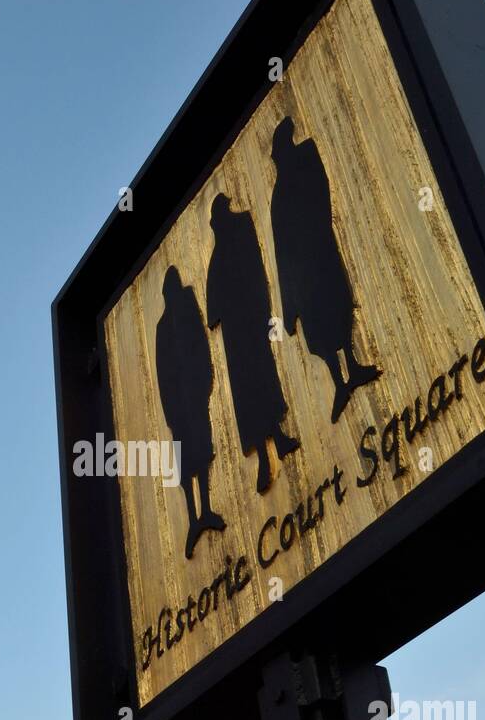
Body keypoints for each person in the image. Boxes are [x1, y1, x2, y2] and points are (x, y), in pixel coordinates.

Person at [270, 116, 380, 423]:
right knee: (318, 326)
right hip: (302, 273)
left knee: (336, 309)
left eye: (276, 152)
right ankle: (339, 381)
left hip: (319, 254)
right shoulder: (278, 194)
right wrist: (289, 305)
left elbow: (322, 195)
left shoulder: (305, 161)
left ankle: (353, 366)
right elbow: (280, 249)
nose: (276, 159)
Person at [206, 193, 299, 493]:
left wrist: (259, 308)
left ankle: (277, 439)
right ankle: (264, 455)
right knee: (250, 387)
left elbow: (254, 271)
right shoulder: (218, 256)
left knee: (260, 381)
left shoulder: (239, 232)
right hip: (239, 333)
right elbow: (212, 315)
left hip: (248, 323)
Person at [155, 265, 226, 560]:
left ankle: (207, 508)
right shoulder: (162, 327)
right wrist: (171, 413)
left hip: (195, 397)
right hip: (178, 408)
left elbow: (200, 345)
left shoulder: (187, 308)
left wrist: (205, 383)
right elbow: (162, 372)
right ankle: (193, 517)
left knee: (202, 452)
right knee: (186, 463)